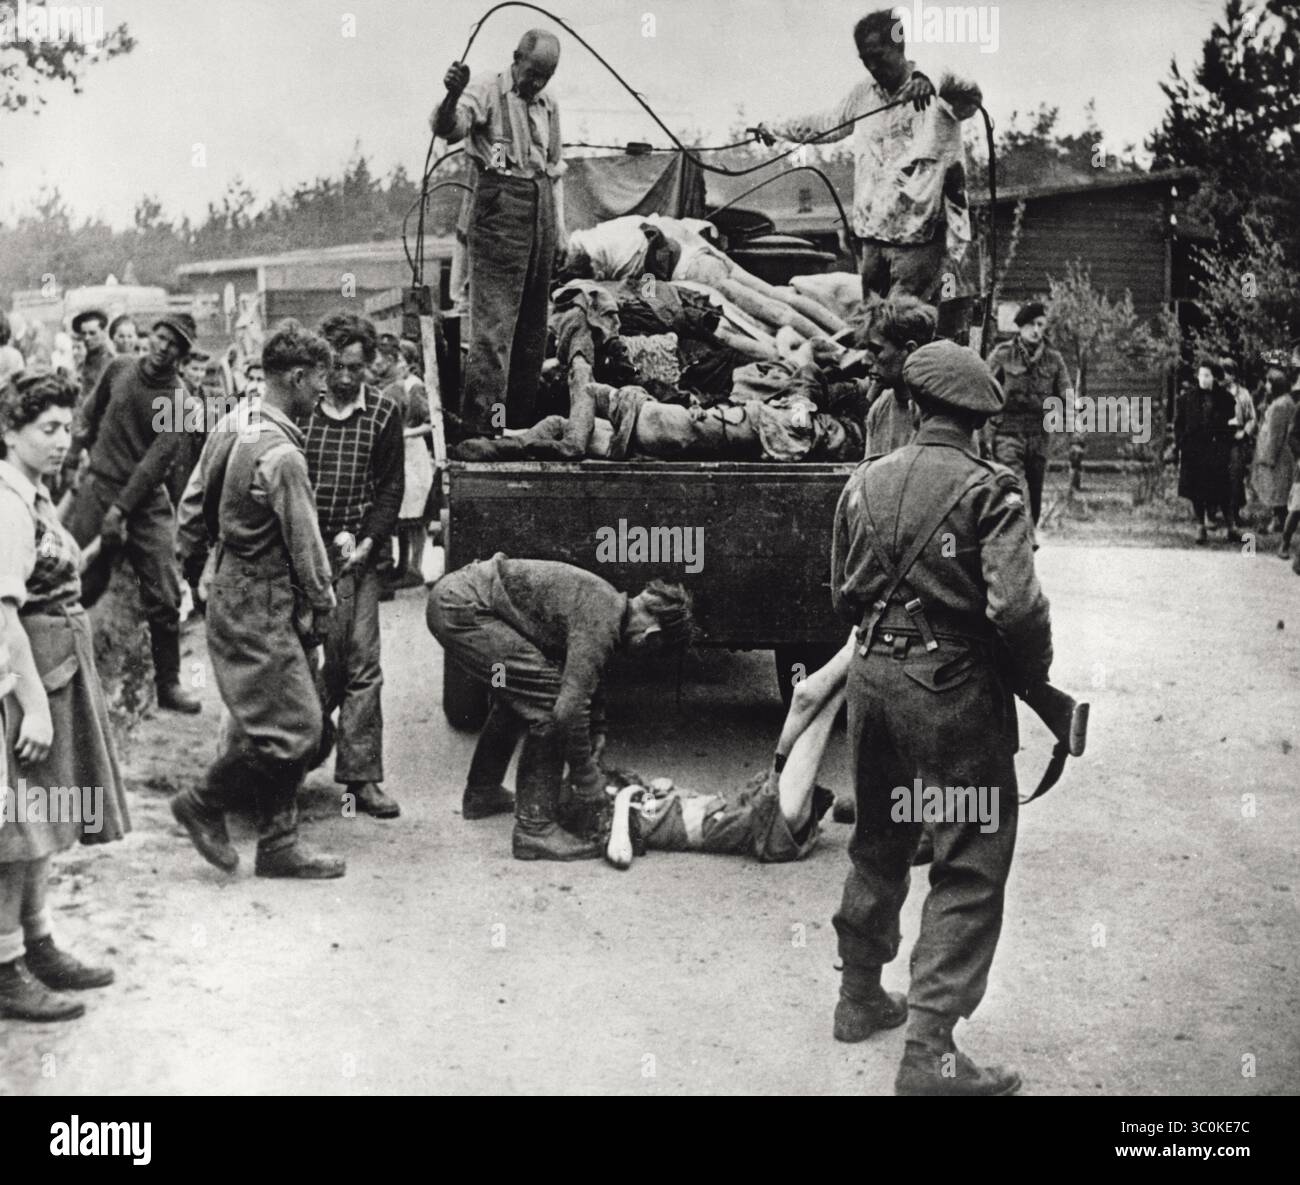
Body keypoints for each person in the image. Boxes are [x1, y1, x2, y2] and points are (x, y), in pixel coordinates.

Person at [829, 339, 1053, 1096]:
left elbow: (840, 593)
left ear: (916, 407)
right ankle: (929, 1053)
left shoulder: (863, 482)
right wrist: (1033, 674)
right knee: (969, 852)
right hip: (951, 691)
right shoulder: (994, 489)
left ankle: (859, 993)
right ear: (980, 421)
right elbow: (1017, 606)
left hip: (870, 680)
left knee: (880, 834)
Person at [170, 322, 344, 879]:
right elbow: (305, 543)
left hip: (232, 592)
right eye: (319, 383)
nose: (324, 394)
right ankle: (202, 802)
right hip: (263, 603)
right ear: (295, 377)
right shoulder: (284, 457)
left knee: (265, 720)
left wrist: (198, 571)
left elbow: (192, 509)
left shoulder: (233, 422)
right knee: (298, 728)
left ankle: (278, 842)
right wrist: (323, 603)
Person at [0, 371, 130, 1020]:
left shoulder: (36, 494)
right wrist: (35, 707)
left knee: (44, 821)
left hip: (55, 671)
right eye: (46, 429)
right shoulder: (5, 504)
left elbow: (64, 566)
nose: (62, 440)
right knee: (16, 830)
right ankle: (4, 968)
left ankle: (39, 940)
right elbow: (3, 616)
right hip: (25, 685)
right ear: (8, 431)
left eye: (66, 428)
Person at [427, 555, 693, 861]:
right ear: (652, 636)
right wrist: (587, 777)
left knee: (521, 695)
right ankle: (535, 830)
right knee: (548, 705)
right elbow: (568, 709)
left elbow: (583, 671)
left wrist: (598, 726)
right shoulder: (602, 617)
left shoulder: (607, 605)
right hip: (464, 609)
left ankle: (483, 793)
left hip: (456, 601)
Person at [753, 9, 981, 301]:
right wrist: (772, 127)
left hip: (919, 236)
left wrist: (930, 79)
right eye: (865, 60)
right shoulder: (863, 95)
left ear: (899, 47)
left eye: (879, 56)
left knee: (904, 320)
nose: (873, 66)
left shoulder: (941, 94)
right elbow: (825, 125)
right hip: (872, 235)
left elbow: (970, 91)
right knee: (872, 322)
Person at [63, 314, 203, 713]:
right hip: (98, 486)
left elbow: (154, 465)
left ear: (182, 353)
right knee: (76, 579)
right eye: (159, 338)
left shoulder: (181, 402)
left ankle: (169, 684)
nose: (163, 348)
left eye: (173, 344)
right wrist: (74, 456)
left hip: (144, 502)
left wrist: (120, 512)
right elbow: (90, 413)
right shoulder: (119, 367)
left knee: (164, 592)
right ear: (149, 337)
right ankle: (59, 674)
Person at [434, 29, 567, 437]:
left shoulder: (548, 105)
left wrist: (559, 231)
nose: (538, 84)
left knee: (532, 331)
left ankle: (520, 431)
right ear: (516, 59)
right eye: (533, 74)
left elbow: (555, 168)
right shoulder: (487, 91)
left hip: (540, 209)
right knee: (494, 332)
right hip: (499, 209)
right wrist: (452, 95)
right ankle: (485, 433)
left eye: (546, 76)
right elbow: (449, 129)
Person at [306, 313, 404, 819]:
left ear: (370, 368)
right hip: (304, 553)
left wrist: (370, 540)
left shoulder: (385, 414)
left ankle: (361, 779)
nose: (345, 379)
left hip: (359, 555)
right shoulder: (305, 411)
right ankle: (293, 752)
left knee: (362, 661)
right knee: (313, 658)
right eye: (337, 368)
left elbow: (390, 486)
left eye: (356, 369)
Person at [984, 301, 1073, 527]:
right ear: (1020, 327)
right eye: (1031, 324)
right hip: (1007, 434)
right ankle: (1024, 537)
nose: (1036, 330)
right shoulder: (1002, 355)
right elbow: (984, 387)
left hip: (1038, 437)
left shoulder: (1053, 359)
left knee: (1034, 495)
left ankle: (1026, 540)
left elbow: (1066, 391)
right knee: (1015, 488)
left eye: (1040, 325)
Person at [861, 296, 938, 455]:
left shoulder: (939, 413)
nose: (865, 361)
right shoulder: (880, 407)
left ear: (910, 350)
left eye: (876, 350)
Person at [1175, 362, 1239, 545]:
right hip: (1194, 453)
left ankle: (1231, 527)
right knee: (1196, 491)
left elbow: (1231, 426)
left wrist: (1224, 445)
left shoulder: (1226, 399)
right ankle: (1200, 526)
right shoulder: (1187, 399)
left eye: (1207, 376)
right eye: (1201, 375)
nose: (1203, 379)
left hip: (1216, 451)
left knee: (1222, 490)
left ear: (1214, 377)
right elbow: (1179, 425)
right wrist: (1182, 444)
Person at [1254, 368, 1296, 537]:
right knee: (1279, 488)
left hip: (1278, 456)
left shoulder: (1280, 406)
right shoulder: (1284, 401)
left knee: (1277, 489)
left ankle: (1278, 522)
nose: (1267, 385)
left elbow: (1275, 435)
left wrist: (1268, 457)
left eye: (1269, 382)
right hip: (1283, 454)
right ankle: (1278, 520)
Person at [1221, 355, 1256, 528]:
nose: (1224, 377)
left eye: (1226, 373)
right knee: (1218, 475)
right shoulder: (1216, 392)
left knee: (1236, 476)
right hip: (1220, 438)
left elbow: (1252, 418)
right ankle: (1215, 515)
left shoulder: (1244, 394)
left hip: (1237, 438)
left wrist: (1245, 433)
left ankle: (1235, 513)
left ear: (1233, 375)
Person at [70, 309, 115, 410]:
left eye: (92, 333)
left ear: (104, 333)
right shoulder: (83, 363)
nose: (87, 338)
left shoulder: (110, 363)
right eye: (83, 333)